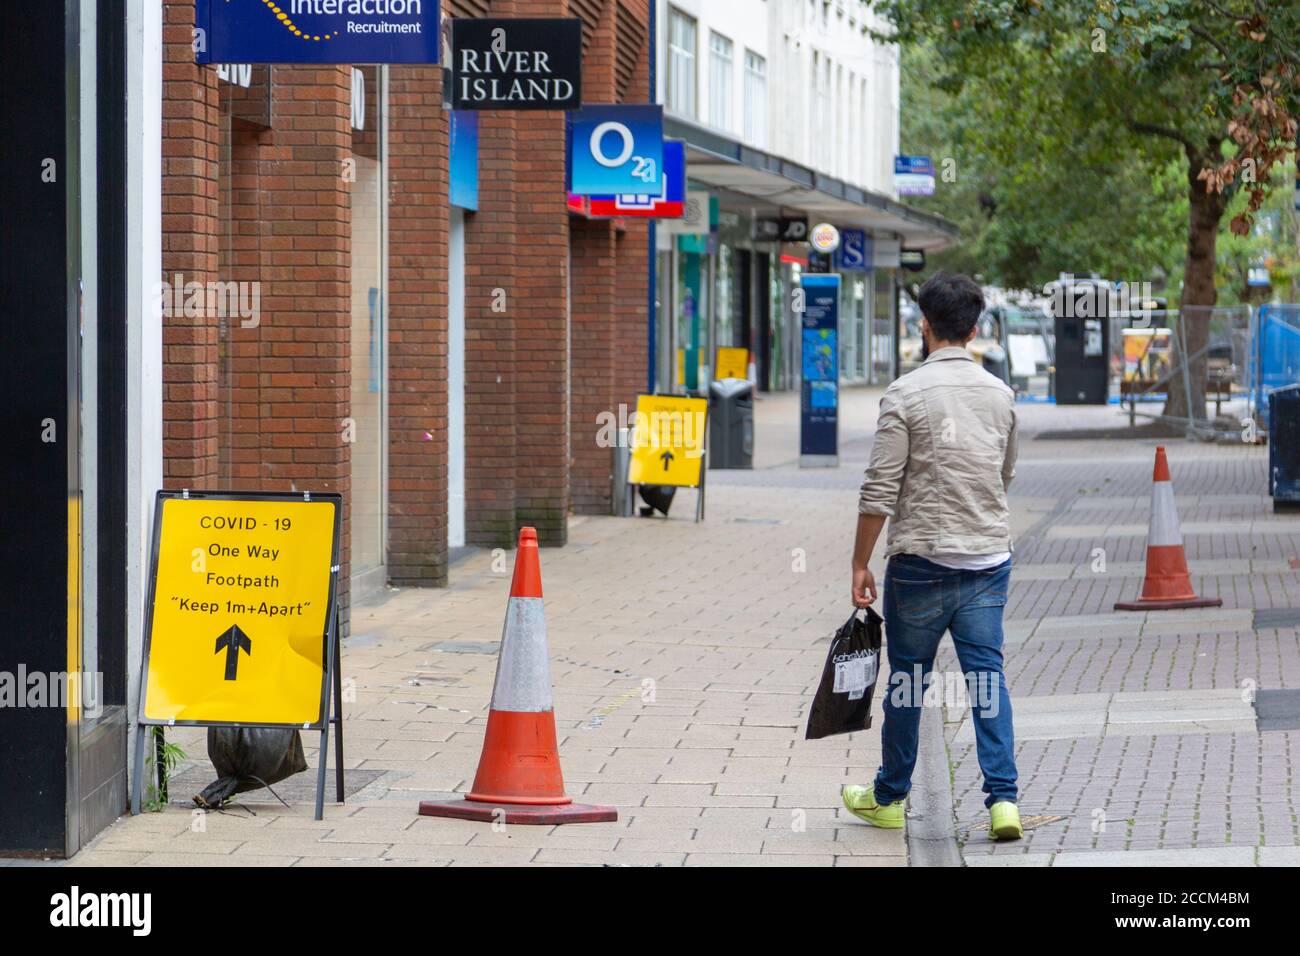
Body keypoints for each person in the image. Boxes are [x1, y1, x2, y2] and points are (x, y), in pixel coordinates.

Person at [844, 272, 1023, 841]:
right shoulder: (1001, 394)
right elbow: (1005, 473)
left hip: (920, 564)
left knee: (907, 680)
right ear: (974, 330)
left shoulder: (905, 394)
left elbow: (879, 487)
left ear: (924, 326)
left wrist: (859, 562)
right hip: (987, 560)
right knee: (987, 678)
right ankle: (1003, 803)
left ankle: (890, 797)